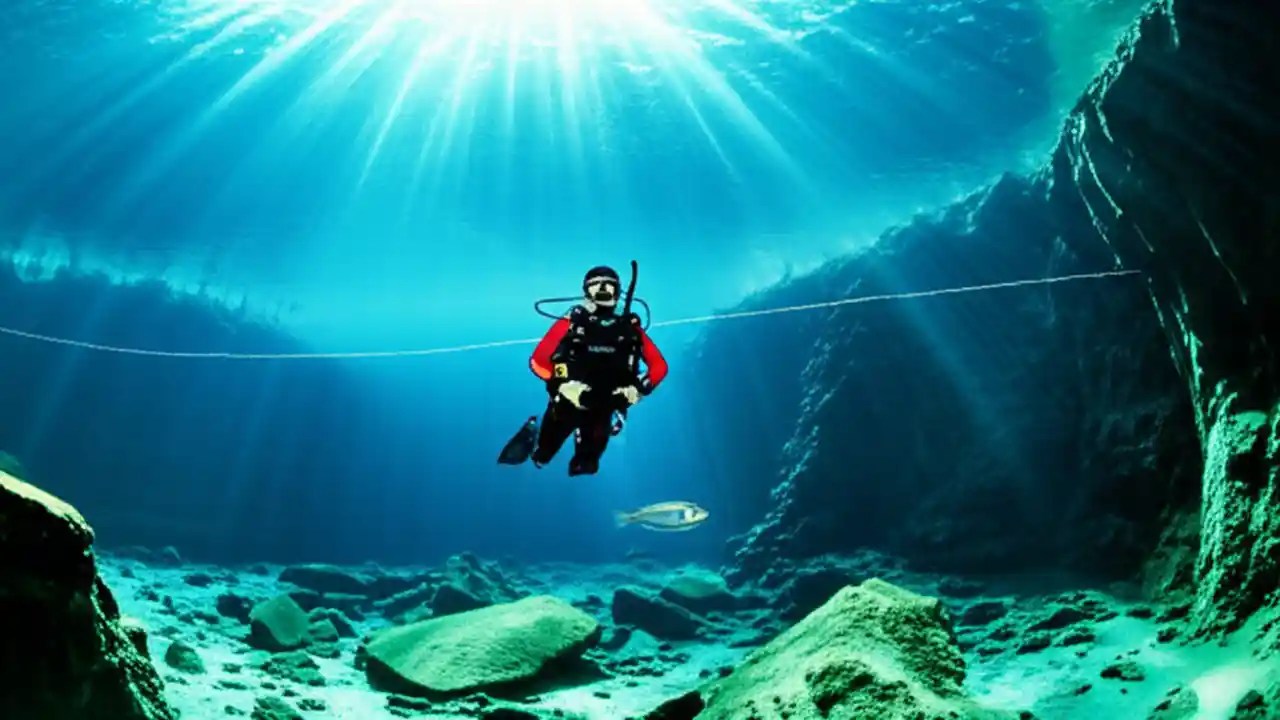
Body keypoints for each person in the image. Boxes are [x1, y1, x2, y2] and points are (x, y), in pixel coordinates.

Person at [524, 265, 668, 475]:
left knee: (587, 464)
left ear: (617, 292)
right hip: (566, 402)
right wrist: (563, 386)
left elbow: (659, 367)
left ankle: (577, 450)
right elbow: (538, 360)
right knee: (542, 455)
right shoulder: (572, 322)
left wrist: (638, 389)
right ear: (586, 291)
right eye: (595, 284)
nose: (602, 288)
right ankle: (535, 434)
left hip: (607, 404)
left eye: (608, 284)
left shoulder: (630, 328)